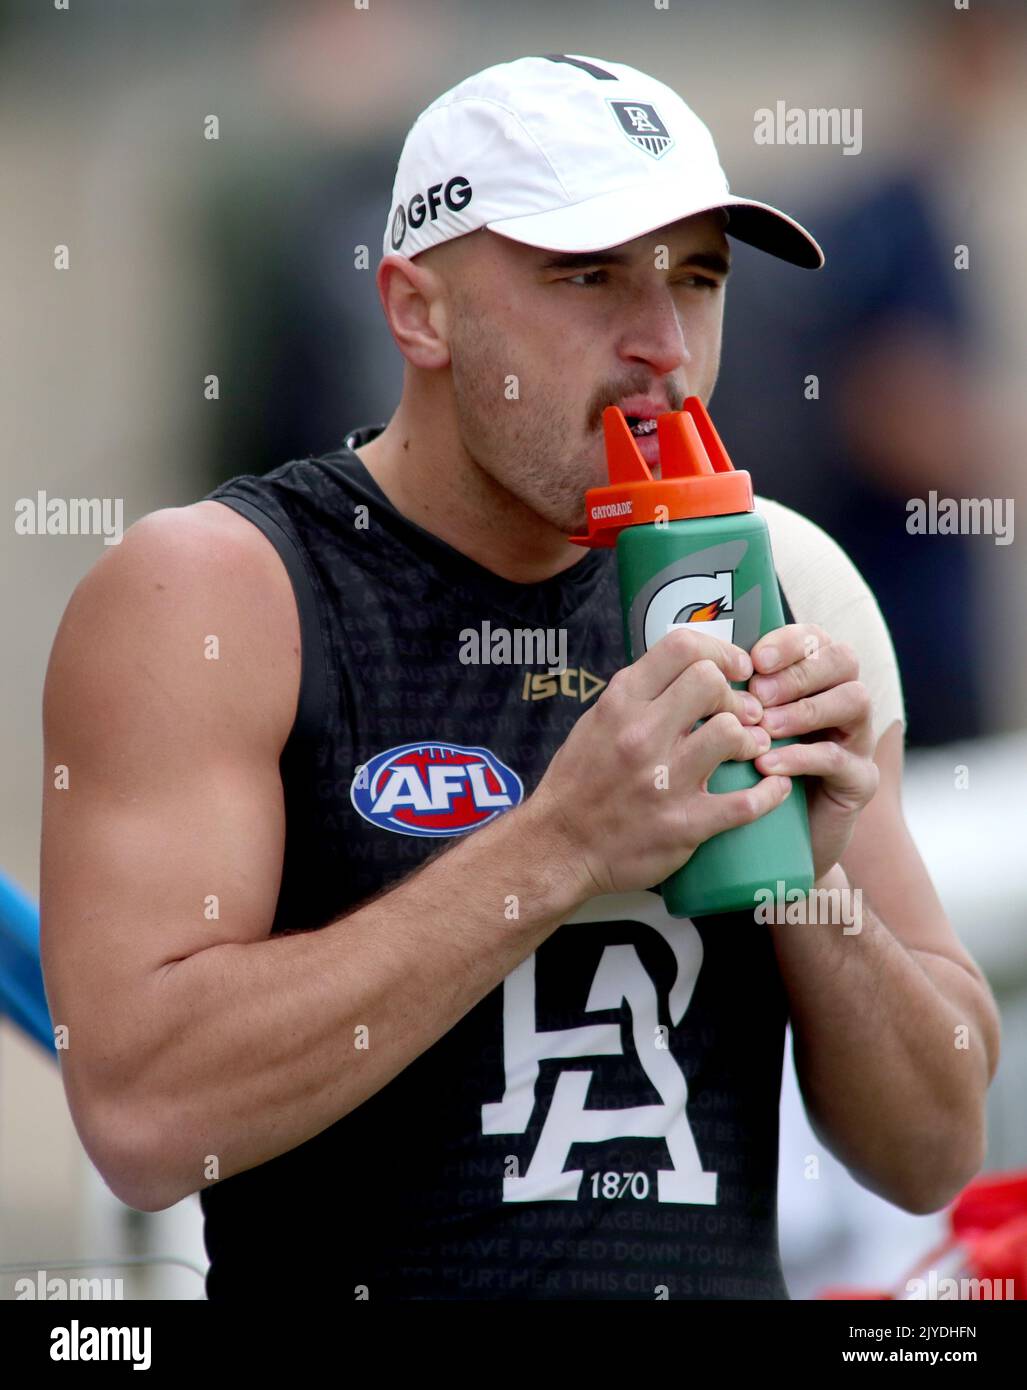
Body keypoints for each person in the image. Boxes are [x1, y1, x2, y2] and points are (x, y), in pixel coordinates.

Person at [39, 54, 1000, 1301]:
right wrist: (556, 848)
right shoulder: (220, 593)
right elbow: (144, 1117)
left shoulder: (785, 577)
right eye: (588, 276)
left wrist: (812, 895)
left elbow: (932, 1154)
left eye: (697, 278)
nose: (660, 344)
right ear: (418, 310)